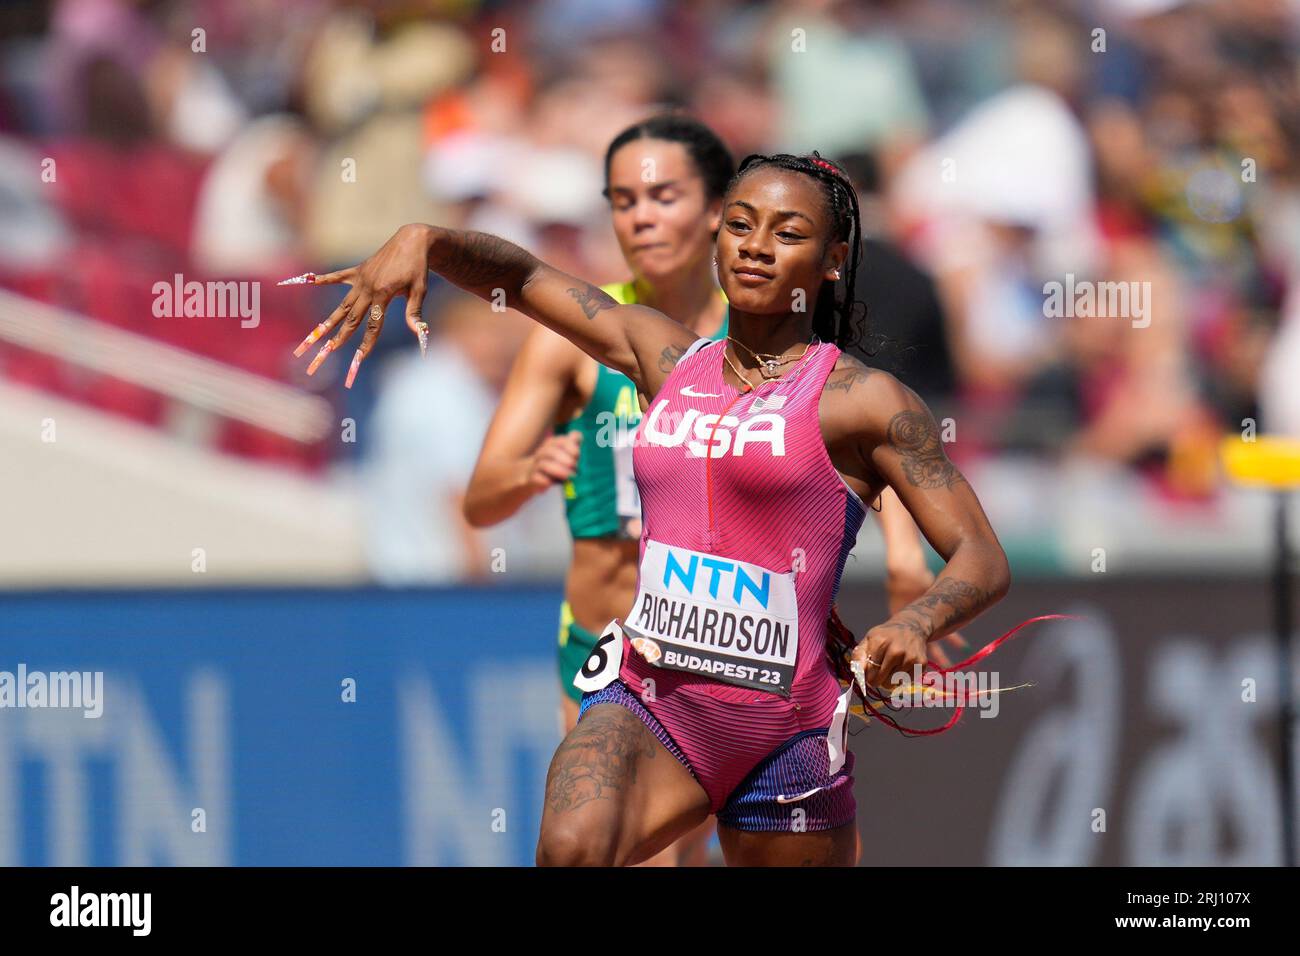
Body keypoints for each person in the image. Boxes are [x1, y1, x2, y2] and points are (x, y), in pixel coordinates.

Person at [289, 149, 1011, 867]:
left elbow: (981, 556)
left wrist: (918, 622)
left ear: (831, 259)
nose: (757, 246)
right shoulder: (665, 359)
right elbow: (528, 276)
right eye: (740, 224)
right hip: (650, 695)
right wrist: (431, 241)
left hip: (786, 731)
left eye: (788, 234)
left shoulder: (865, 402)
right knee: (571, 847)